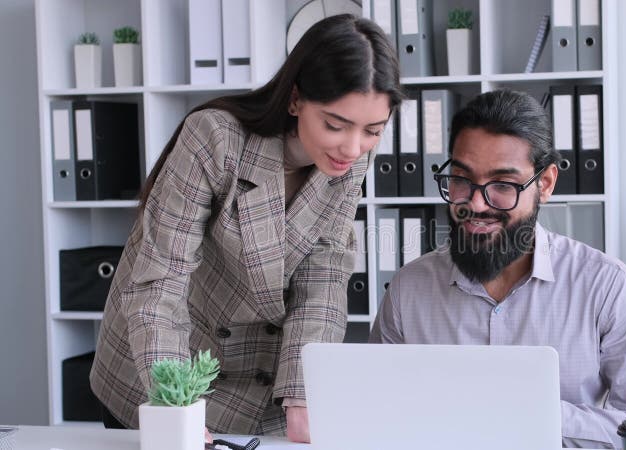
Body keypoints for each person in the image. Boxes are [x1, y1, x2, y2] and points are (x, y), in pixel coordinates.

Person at [90, 14, 402, 443]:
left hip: (259, 386)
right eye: (334, 124)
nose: (352, 147)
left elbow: (323, 277)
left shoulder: (351, 164)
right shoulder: (215, 138)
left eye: (373, 131)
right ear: (295, 100)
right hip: (164, 369)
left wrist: (302, 395)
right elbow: (160, 281)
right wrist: (176, 403)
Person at [369, 90, 626, 449]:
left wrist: (531, 412)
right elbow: (379, 415)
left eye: (503, 185)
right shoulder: (409, 289)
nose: (475, 203)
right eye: (461, 179)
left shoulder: (607, 286)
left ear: (545, 183)